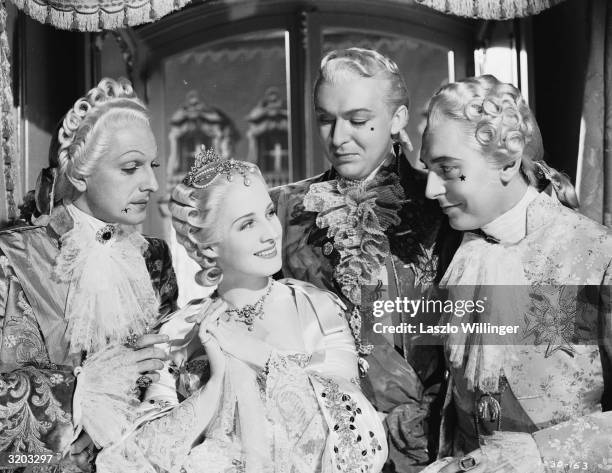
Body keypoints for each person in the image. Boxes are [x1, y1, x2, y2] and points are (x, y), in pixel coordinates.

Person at [96, 149, 388, 473]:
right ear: (208, 247)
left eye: (269, 213)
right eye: (247, 224)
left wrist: (258, 355)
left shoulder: (316, 309)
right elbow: (137, 459)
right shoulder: (177, 333)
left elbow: (354, 438)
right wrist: (215, 382)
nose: (270, 232)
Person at [269, 48, 459, 470]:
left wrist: (415, 426)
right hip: (318, 444)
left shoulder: (446, 205)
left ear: (397, 119)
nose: (337, 139)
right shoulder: (283, 210)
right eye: (325, 119)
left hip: (424, 446)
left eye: (357, 121)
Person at [418, 75, 612, 472]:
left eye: (448, 169)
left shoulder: (594, 255)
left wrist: (542, 455)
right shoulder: (456, 254)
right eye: (428, 170)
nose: (431, 189)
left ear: (508, 161)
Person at [0, 78, 177, 471]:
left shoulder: (154, 260)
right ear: (80, 174)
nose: (151, 183)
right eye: (130, 167)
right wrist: (78, 396)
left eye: (153, 166)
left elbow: (164, 381)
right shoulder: (10, 258)